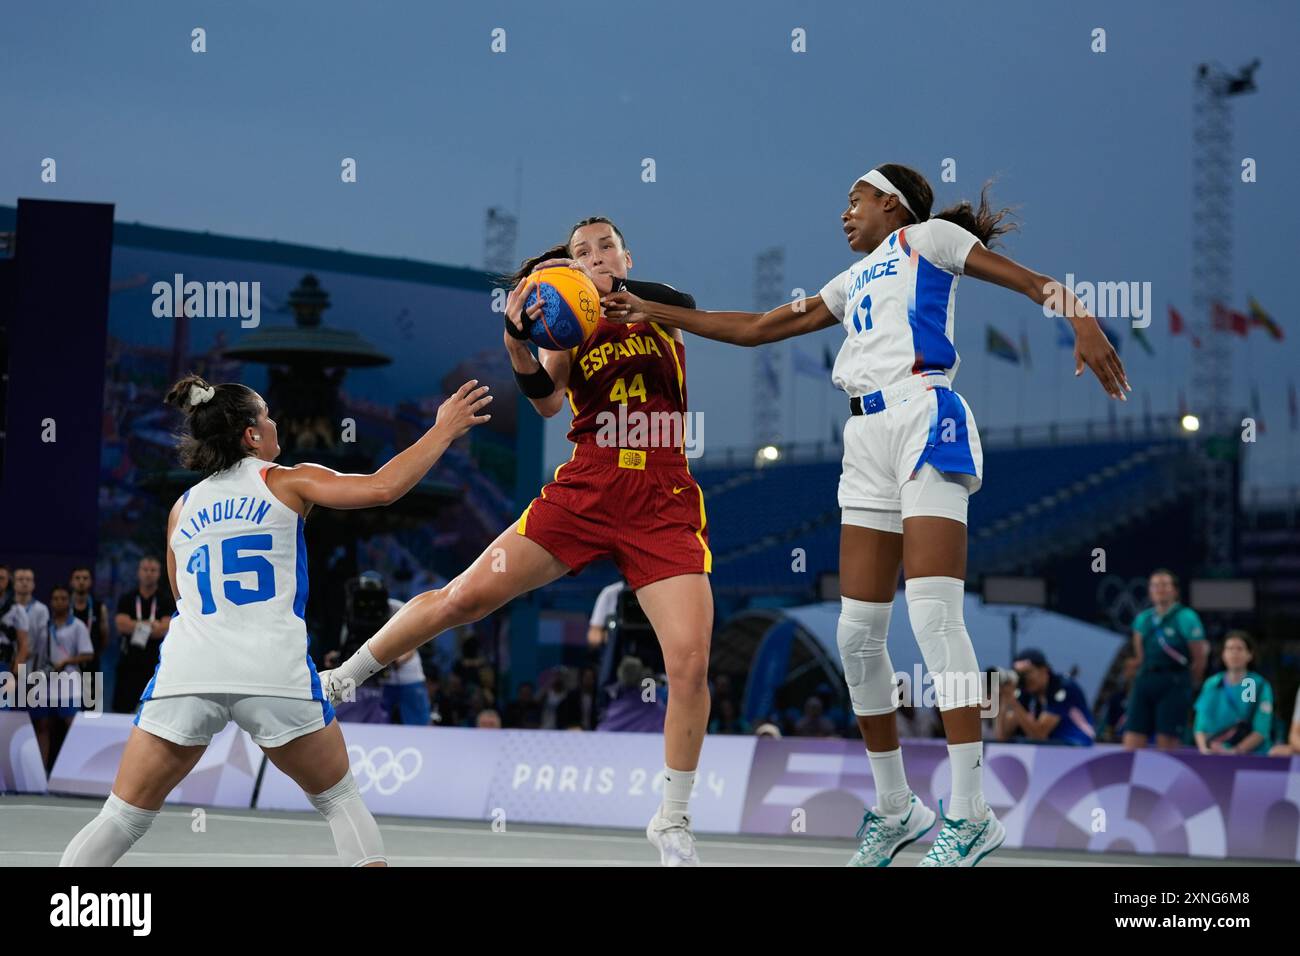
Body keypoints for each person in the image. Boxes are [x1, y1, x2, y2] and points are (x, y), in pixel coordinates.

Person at [601, 163, 1128, 866]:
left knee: (936, 615)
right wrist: (655, 312)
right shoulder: (851, 281)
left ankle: (970, 813)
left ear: (891, 203)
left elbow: (1029, 281)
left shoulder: (930, 239)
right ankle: (896, 806)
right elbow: (758, 328)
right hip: (865, 438)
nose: (843, 214)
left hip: (924, 415)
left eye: (853, 201)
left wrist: (1082, 317)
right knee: (856, 636)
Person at [322, 217, 714, 866]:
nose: (593, 255)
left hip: (661, 500)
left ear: (625, 253)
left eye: (603, 246)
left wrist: (607, 287)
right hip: (587, 490)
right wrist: (515, 343)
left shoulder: (661, 304)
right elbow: (547, 403)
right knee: (464, 598)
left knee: (691, 663)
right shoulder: (573, 326)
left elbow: (689, 305)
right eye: (580, 251)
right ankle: (341, 679)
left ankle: (671, 820)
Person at [59, 372, 489, 866]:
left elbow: (184, 598)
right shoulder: (286, 480)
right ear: (251, 435)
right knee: (339, 802)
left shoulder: (182, 507)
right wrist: (442, 430)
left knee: (122, 817)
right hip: (273, 673)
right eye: (266, 415)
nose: (274, 421)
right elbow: (383, 488)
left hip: (188, 671)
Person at [1124, 569, 1207, 751]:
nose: (1159, 589)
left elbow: (1199, 658)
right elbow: (1140, 656)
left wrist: (1187, 683)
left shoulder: (1186, 617)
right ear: (1149, 591)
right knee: (1132, 738)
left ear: (1175, 591)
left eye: (1164, 585)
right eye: (1155, 585)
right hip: (1146, 680)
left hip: (1174, 682)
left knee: (1167, 741)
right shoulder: (1143, 619)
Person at [32, 584, 94, 769]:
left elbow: (88, 654)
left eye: (64, 599)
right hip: (46, 683)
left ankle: (73, 770)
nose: (60, 602)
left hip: (69, 682)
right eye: (56, 599)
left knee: (72, 726)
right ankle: (42, 772)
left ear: (69, 601)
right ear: (51, 602)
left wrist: (67, 661)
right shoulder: (45, 627)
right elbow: (38, 656)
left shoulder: (78, 626)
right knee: (43, 725)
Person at [1193, 631, 1275, 756]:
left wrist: (1235, 751)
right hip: (1214, 753)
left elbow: (1261, 729)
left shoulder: (1253, 684)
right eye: (1229, 648)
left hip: (1251, 757)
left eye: (1240, 649)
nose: (1234, 653)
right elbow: (1200, 725)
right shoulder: (1213, 683)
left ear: (1250, 655)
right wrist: (1204, 749)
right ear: (1223, 654)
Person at [112, 557, 175, 713]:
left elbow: (165, 629)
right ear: (139, 572)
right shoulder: (127, 598)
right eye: (145, 570)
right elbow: (121, 625)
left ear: (159, 573)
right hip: (129, 664)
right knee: (122, 710)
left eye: (153, 570)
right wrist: (152, 624)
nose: (148, 574)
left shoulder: (165, 600)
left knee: (153, 713)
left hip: (155, 666)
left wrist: (136, 624)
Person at [995, 648, 1095, 746]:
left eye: (1027, 673)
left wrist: (1012, 701)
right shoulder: (1027, 692)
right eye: (1019, 674)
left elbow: (1039, 735)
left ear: (1044, 670)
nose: (1024, 678)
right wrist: (1005, 698)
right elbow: (1001, 737)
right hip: (1052, 748)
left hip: (1077, 745)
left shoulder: (1063, 688)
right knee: (1016, 742)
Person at [69, 567, 111, 708]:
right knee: (66, 712)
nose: (81, 581)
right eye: (78, 578)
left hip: (92, 666)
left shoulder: (100, 608)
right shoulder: (64, 606)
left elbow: (104, 636)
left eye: (85, 578)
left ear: (91, 582)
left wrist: (91, 653)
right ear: (71, 582)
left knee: (92, 712)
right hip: (68, 666)